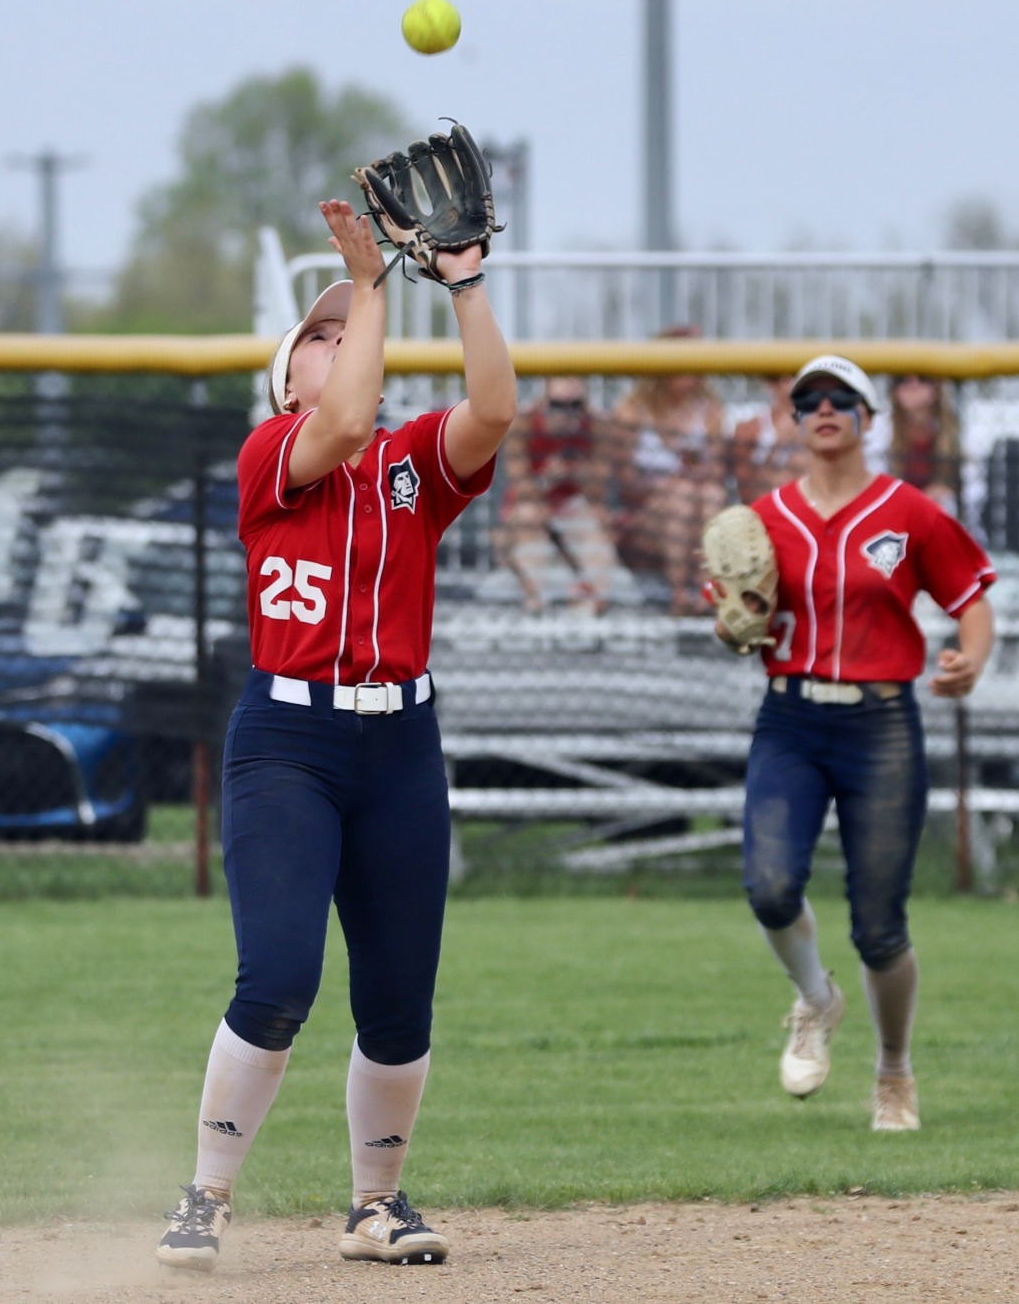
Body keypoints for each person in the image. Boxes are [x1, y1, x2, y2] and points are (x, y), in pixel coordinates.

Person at [154, 199, 514, 1272]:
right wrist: (365, 285)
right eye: (318, 337)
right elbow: (343, 425)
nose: (342, 340)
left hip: (400, 745)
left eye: (346, 331)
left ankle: (375, 1203)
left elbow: (493, 409)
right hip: (288, 743)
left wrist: (463, 285)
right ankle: (206, 1195)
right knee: (276, 979)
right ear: (285, 384)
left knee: (399, 999)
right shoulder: (271, 453)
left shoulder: (411, 465)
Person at [711, 353, 996, 1132]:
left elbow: (971, 597)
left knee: (879, 924)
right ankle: (815, 997)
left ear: (870, 419)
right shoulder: (764, 518)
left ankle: (894, 1070)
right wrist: (733, 622)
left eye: (842, 398)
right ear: (794, 420)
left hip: (881, 723)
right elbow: (737, 620)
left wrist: (971, 659)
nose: (825, 409)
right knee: (770, 885)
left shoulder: (909, 511)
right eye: (809, 401)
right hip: (792, 717)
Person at [613, 326, 730, 614]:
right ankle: (679, 595)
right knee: (681, 494)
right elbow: (625, 482)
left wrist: (697, 472)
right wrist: (665, 485)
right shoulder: (632, 410)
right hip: (646, 522)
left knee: (710, 494)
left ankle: (705, 590)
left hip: (695, 509)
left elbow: (717, 473)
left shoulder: (711, 410)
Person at [496, 375, 621, 614]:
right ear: (544, 401)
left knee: (595, 517)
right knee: (529, 515)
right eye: (558, 405)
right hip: (532, 511)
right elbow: (521, 488)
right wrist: (548, 479)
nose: (567, 413)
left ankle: (594, 594)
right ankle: (537, 598)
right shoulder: (523, 424)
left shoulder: (596, 426)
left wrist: (578, 473)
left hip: (573, 510)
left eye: (575, 405)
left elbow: (598, 491)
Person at [871, 372, 979, 518]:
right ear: (893, 390)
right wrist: (917, 499)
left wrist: (947, 494)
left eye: (923, 378)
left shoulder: (958, 429)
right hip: (896, 516)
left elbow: (975, 491)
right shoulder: (879, 429)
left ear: (936, 387)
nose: (913, 385)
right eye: (902, 379)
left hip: (941, 516)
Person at [728, 374, 808, 503]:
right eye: (779, 379)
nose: (790, 385)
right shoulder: (748, 429)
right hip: (767, 502)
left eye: (796, 376)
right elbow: (744, 489)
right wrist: (777, 446)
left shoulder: (819, 424)